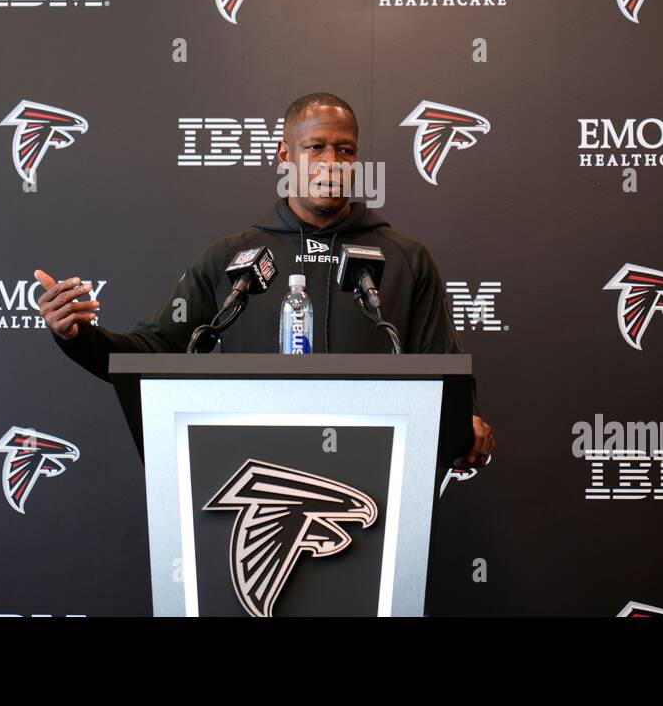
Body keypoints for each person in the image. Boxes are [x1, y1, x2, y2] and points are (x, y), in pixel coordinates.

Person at [34, 92, 494, 469]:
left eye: (345, 150)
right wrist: (77, 336)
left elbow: (443, 364)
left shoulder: (404, 257)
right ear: (284, 154)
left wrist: (464, 417)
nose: (330, 162)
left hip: (377, 469)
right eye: (315, 147)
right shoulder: (232, 257)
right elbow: (153, 351)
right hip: (254, 470)